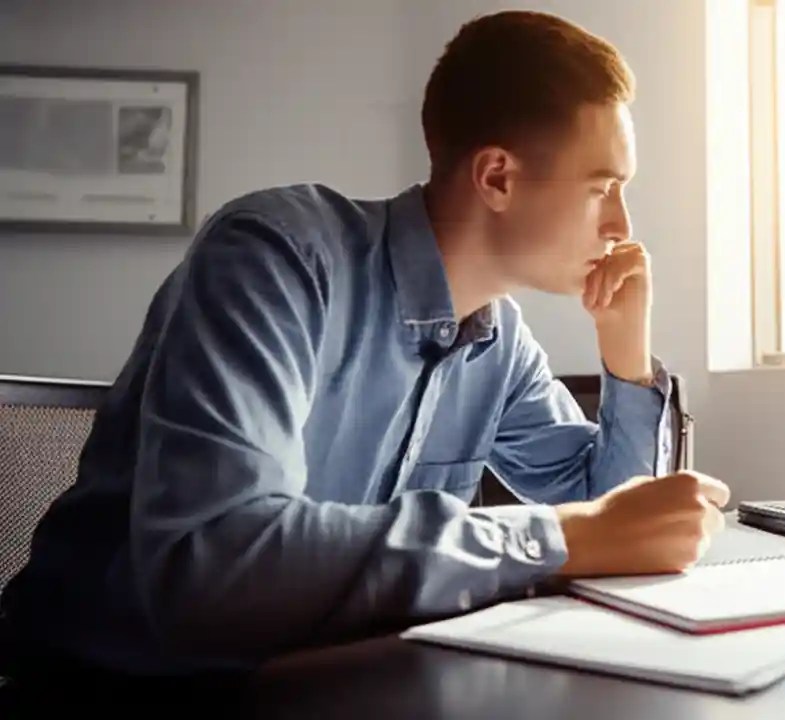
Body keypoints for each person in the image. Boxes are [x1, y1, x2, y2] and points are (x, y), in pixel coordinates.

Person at [0, 10, 729, 680]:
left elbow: (622, 527)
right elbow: (215, 564)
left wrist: (624, 353)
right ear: (497, 177)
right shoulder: (277, 258)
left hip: (329, 680)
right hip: (108, 687)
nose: (622, 226)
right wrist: (552, 539)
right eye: (603, 187)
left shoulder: (498, 339)